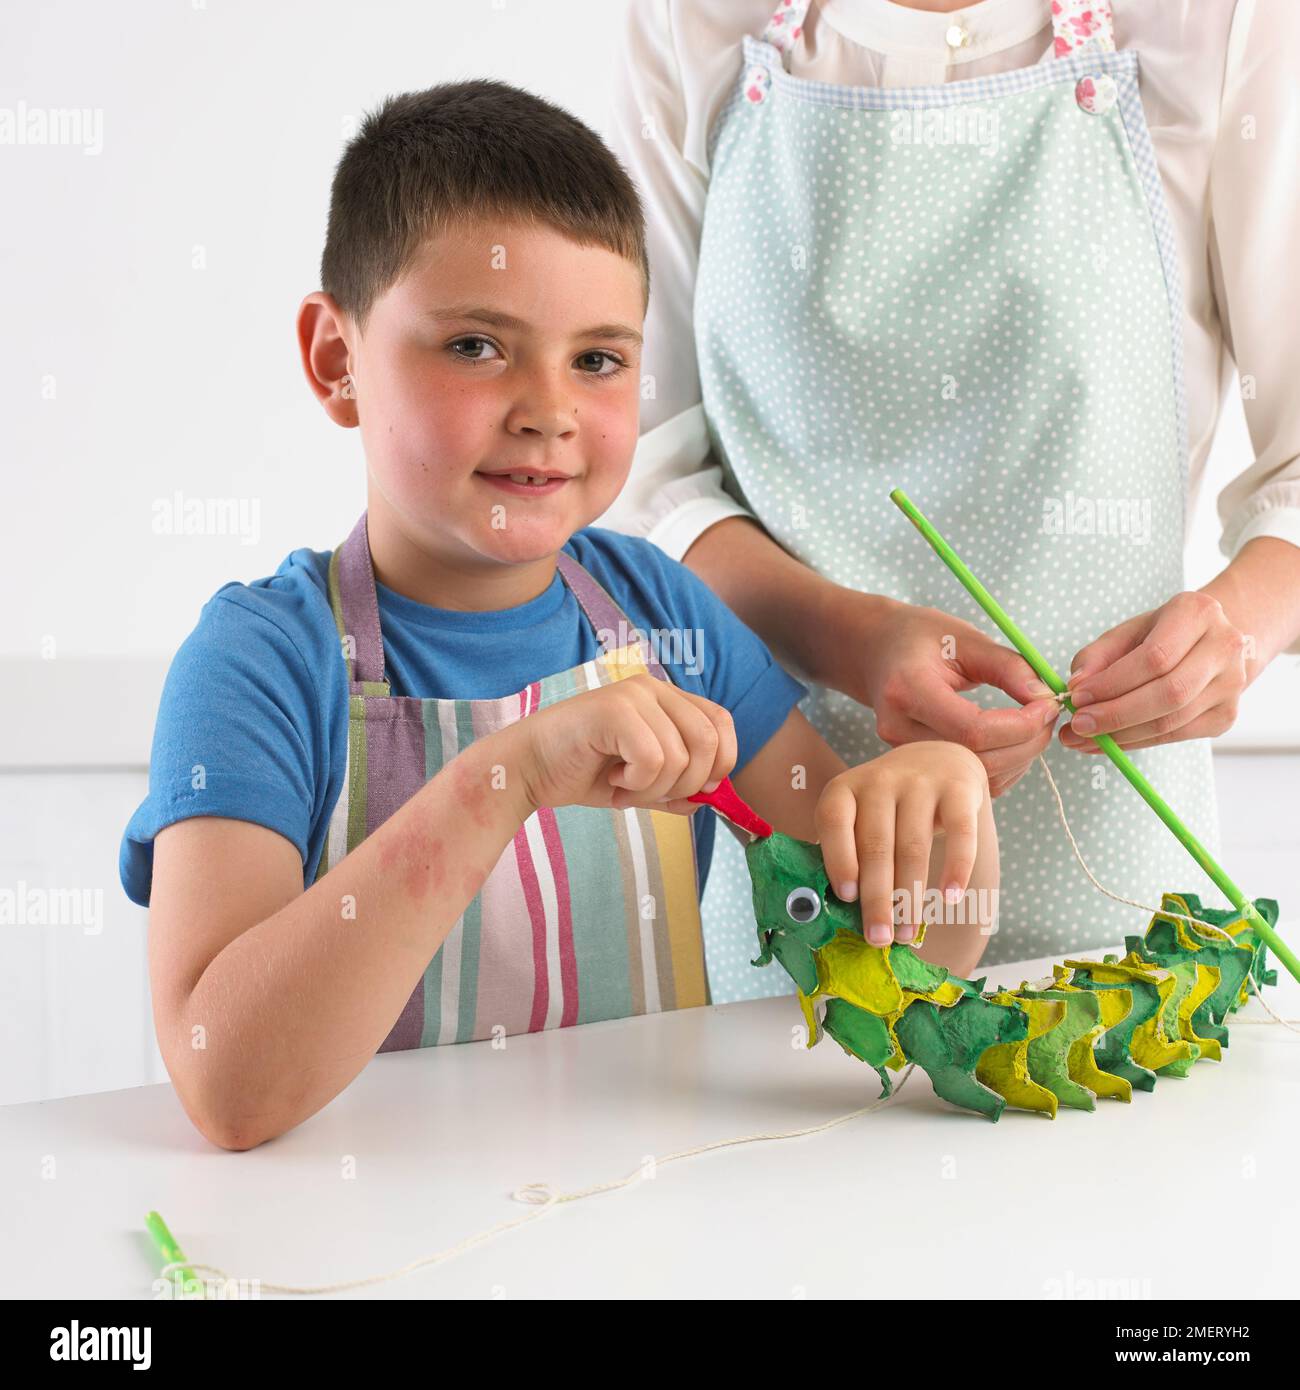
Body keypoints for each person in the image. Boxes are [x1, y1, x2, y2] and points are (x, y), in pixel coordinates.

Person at [119, 80, 1004, 1151]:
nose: (548, 409)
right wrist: (508, 776)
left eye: (597, 359)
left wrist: (946, 826)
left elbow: (897, 971)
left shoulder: (664, 616)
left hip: (637, 1218)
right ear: (335, 359)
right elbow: (229, 1087)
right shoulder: (256, 663)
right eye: (475, 346)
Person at [599, 0, 1300, 982]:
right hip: (799, 850)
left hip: (1125, 889)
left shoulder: (1216, 23)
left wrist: (1238, 626)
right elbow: (648, 478)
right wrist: (855, 639)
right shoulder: (693, 23)